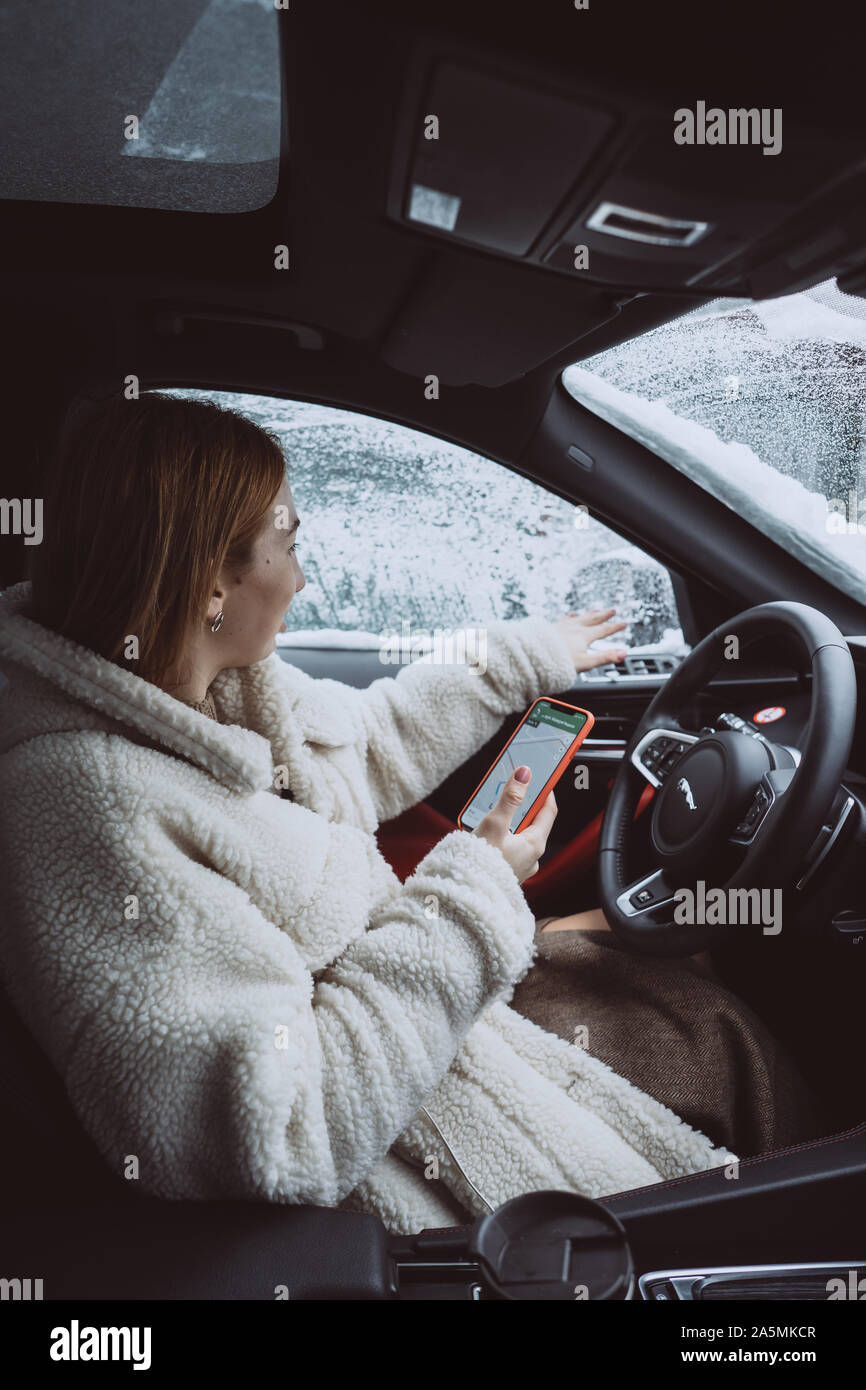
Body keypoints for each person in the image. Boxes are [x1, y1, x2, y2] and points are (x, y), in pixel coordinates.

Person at [0, 391, 820, 1236]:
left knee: (708, 1020)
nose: (304, 575)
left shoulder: (214, 691)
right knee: (732, 1097)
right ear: (214, 578)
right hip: (423, 1194)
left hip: (447, 1046)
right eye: (289, 545)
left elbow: (366, 739)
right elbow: (274, 1128)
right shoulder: (90, 810)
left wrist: (525, 658)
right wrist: (473, 896)